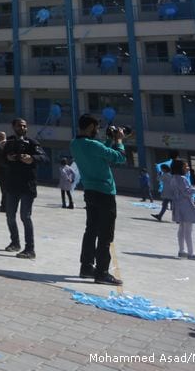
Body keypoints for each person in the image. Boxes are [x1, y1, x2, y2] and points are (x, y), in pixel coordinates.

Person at [69, 114, 126, 285]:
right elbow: (120, 157)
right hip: (105, 192)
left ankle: (86, 267)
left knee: (91, 230)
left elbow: (100, 154)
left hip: (90, 191)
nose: (98, 130)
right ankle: (102, 272)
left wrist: (110, 141)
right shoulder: (93, 145)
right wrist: (120, 141)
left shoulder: (75, 144)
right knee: (105, 234)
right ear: (90, 127)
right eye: (96, 127)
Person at [0, 118, 46, 259]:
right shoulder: (9, 143)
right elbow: (0, 160)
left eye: (24, 126)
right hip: (12, 186)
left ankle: (30, 249)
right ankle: (15, 242)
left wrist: (31, 158)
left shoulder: (32, 143)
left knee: (25, 216)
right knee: (10, 216)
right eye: (19, 125)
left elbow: (44, 158)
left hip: (27, 186)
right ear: (13, 127)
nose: (22, 128)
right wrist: (8, 158)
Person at [167, 158, 195, 260]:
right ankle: (190, 253)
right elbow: (187, 192)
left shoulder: (173, 178)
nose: (188, 168)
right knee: (188, 229)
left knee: (182, 228)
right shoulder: (182, 178)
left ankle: (181, 250)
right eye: (186, 166)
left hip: (178, 205)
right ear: (181, 168)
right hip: (185, 205)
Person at [152, 152, 178, 221]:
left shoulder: (165, 175)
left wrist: (158, 173)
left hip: (167, 192)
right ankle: (176, 218)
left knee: (165, 206)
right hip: (172, 192)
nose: (161, 170)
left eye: (162, 169)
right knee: (173, 206)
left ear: (164, 169)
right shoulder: (172, 174)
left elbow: (158, 179)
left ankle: (160, 216)